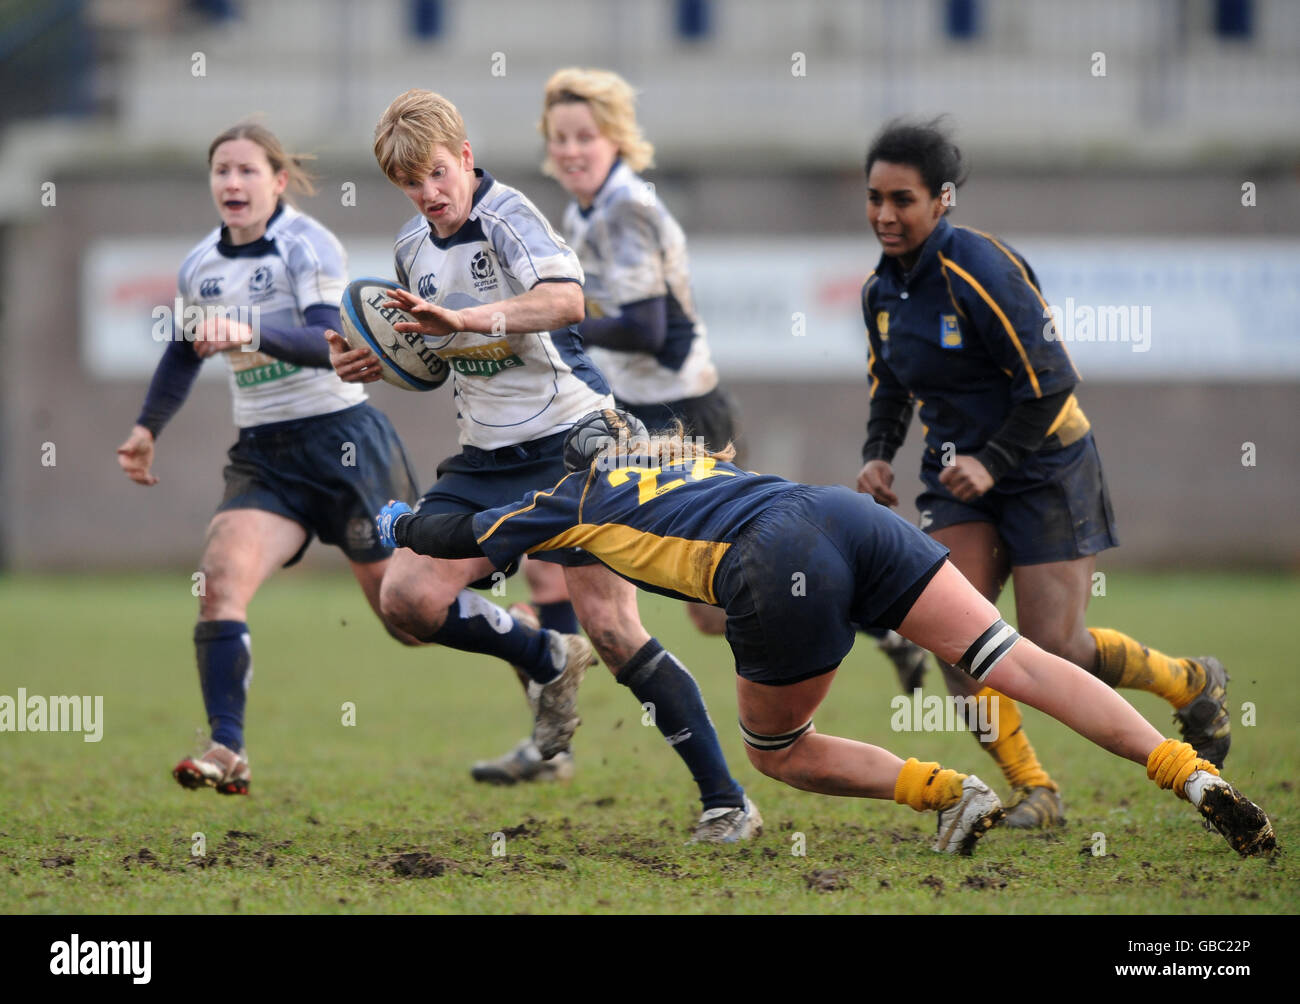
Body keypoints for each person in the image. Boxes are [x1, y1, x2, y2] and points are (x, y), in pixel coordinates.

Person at [375, 409, 1275, 858]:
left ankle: (946, 791)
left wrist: (401, 527)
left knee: (780, 751)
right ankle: (1188, 775)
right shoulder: (677, 457)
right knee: (1017, 660)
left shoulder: (561, 499)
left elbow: (460, 536)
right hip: (839, 515)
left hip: (771, 564)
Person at [322, 89, 761, 842]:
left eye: (435, 174)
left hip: (571, 441)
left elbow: (565, 301)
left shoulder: (510, 217)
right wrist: (376, 360)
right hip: (484, 456)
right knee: (406, 600)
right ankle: (545, 654)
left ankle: (727, 802)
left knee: (616, 630)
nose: (428, 195)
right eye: (409, 184)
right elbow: (429, 355)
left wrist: (465, 319)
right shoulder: (411, 246)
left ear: (464, 157)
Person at [853, 118, 1231, 829]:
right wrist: (879, 452)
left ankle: (1189, 681)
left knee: (1056, 645)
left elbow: (1054, 381)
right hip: (958, 478)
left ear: (942, 201)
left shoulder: (983, 271)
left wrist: (992, 463)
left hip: (1045, 465)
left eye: (902, 199)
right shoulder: (881, 293)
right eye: (874, 197)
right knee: (952, 633)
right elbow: (892, 385)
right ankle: (1037, 792)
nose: (883, 214)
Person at [115, 122, 421, 795]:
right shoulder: (201, 265)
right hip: (266, 455)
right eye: (221, 170)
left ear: (278, 181)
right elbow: (182, 348)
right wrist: (147, 427)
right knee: (220, 577)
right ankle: (228, 747)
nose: (232, 182)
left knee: (410, 617)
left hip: (344, 442)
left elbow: (327, 341)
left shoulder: (308, 244)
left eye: (247, 170)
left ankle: (536, 647)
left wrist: (248, 328)